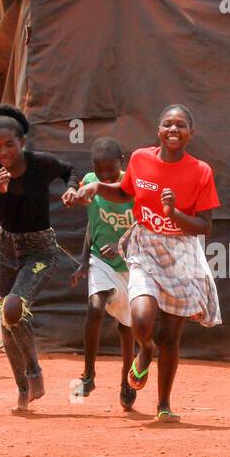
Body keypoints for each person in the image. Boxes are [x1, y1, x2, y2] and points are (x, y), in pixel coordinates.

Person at [64, 104, 221, 422]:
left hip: (181, 252)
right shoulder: (140, 159)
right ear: (158, 130)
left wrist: (174, 214)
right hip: (144, 244)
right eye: (167, 124)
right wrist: (97, 187)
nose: (173, 130)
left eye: (180, 125)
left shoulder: (201, 171)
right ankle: (145, 349)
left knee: (171, 335)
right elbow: (124, 193)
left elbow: (205, 226)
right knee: (141, 318)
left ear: (191, 133)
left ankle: (163, 404)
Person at [0, 104, 80, 409]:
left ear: (22, 142)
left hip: (41, 250)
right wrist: (1, 192)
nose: (4, 151)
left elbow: (70, 171)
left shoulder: (40, 164)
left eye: (10, 144)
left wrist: (73, 189)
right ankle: (23, 389)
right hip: (8, 250)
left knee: (13, 307)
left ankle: (34, 370)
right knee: (8, 323)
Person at [69, 137, 137, 410]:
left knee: (127, 326)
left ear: (122, 163)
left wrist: (121, 245)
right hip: (101, 260)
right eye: (100, 170)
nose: (105, 175)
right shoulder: (89, 182)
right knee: (95, 306)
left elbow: (143, 224)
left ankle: (126, 381)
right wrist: (84, 261)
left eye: (111, 169)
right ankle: (88, 376)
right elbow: (92, 226)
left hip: (131, 264)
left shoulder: (133, 184)